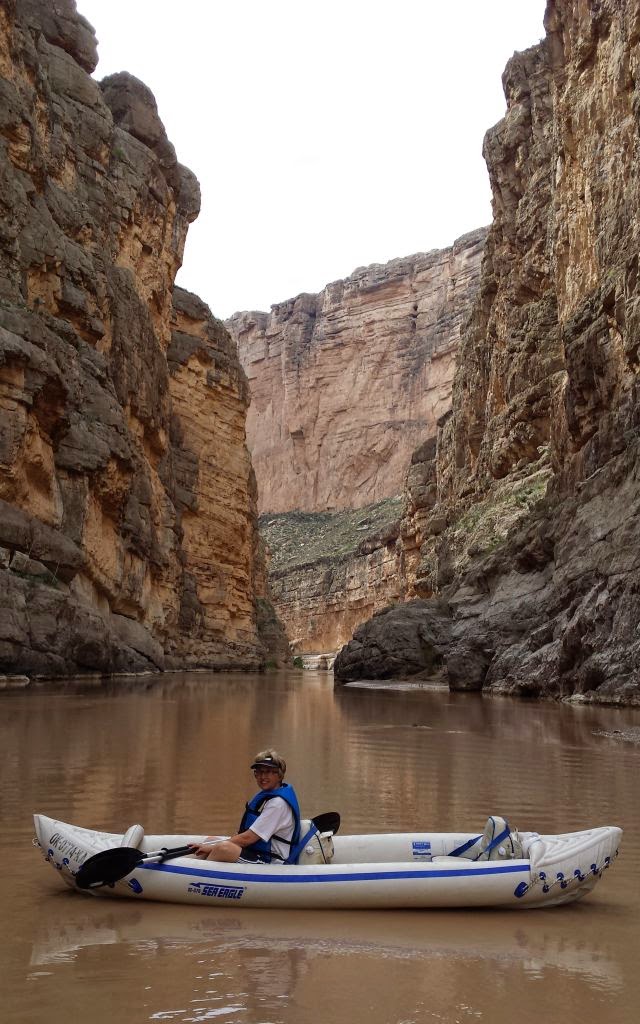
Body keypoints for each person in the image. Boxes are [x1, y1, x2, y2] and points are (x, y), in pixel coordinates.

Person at [192, 749, 302, 864]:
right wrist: (211, 845)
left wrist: (212, 848)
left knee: (222, 848)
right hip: (257, 852)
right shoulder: (269, 797)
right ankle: (192, 867)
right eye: (258, 772)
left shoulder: (278, 804)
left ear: (279, 775)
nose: (262, 776)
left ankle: (194, 877)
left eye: (268, 772)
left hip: (271, 862)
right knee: (211, 840)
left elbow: (248, 838)